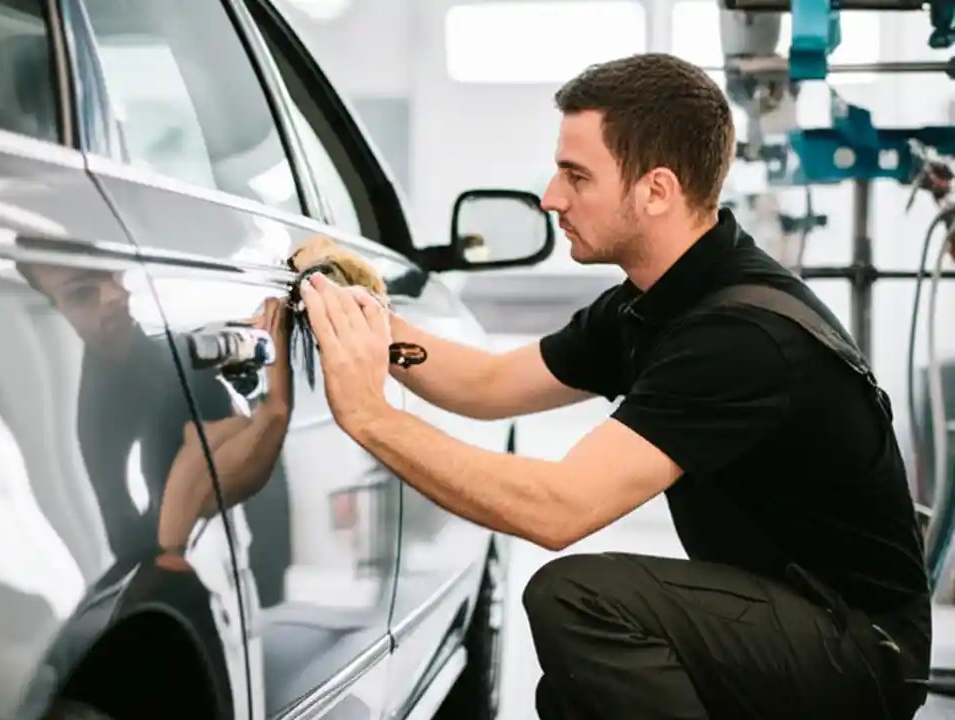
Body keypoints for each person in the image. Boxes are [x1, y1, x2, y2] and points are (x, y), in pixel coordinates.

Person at [296, 53, 932, 719]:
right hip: (792, 615)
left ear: (655, 190)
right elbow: (489, 383)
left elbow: (559, 511)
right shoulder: (651, 302)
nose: (550, 197)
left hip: (863, 650)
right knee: (578, 691)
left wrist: (370, 418)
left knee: (578, 603)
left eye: (576, 176)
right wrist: (361, 316)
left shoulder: (738, 336)